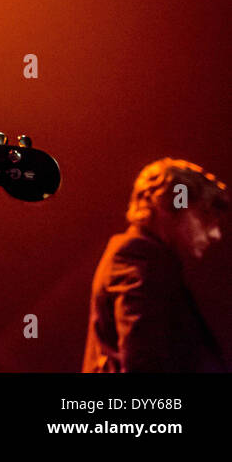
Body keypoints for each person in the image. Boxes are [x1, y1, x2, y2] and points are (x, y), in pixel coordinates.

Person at [82, 158, 227, 372]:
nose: (216, 234)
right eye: (205, 217)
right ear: (165, 207)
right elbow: (145, 362)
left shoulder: (148, 260)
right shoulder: (138, 257)